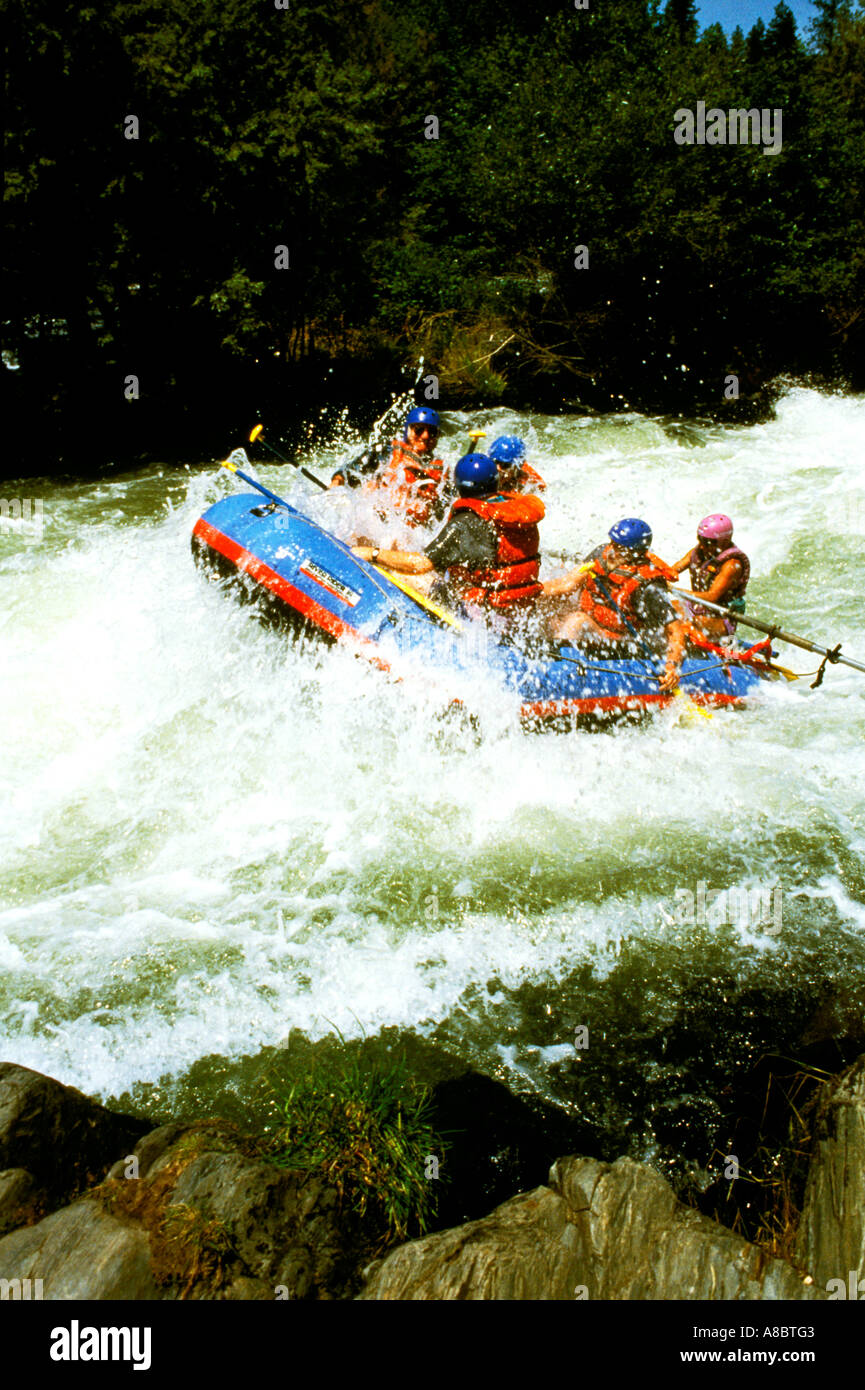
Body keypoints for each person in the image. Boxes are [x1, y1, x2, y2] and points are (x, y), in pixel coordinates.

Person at [352, 453, 545, 620]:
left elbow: (420, 564)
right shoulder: (516, 512)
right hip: (516, 612)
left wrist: (373, 553)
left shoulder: (468, 521)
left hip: (479, 615)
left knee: (397, 572)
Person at [541, 518, 686, 692]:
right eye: (612, 543)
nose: (610, 551)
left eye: (618, 548)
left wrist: (671, 666)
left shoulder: (649, 588)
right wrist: (528, 591)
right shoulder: (601, 554)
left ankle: (558, 672)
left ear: (635, 554)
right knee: (549, 604)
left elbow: (675, 632)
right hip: (593, 622)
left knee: (577, 620)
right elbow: (567, 583)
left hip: (620, 640)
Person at [330, 407, 447, 526]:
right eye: (419, 430)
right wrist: (337, 482)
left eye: (432, 432)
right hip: (372, 515)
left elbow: (442, 515)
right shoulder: (386, 450)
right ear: (408, 430)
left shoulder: (443, 473)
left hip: (407, 529)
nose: (425, 436)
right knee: (370, 486)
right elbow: (350, 472)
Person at [669, 514, 750, 640]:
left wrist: (673, 590)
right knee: (664, 609)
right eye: (700, 539)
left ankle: (674, 657)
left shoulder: (732, 565)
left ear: (725, 542)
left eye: (708, 542)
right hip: (696, 607)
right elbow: (671, 571)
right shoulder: (700, 551)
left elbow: (712, 597)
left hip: (720, 618)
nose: (702, 545)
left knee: (684, 624)